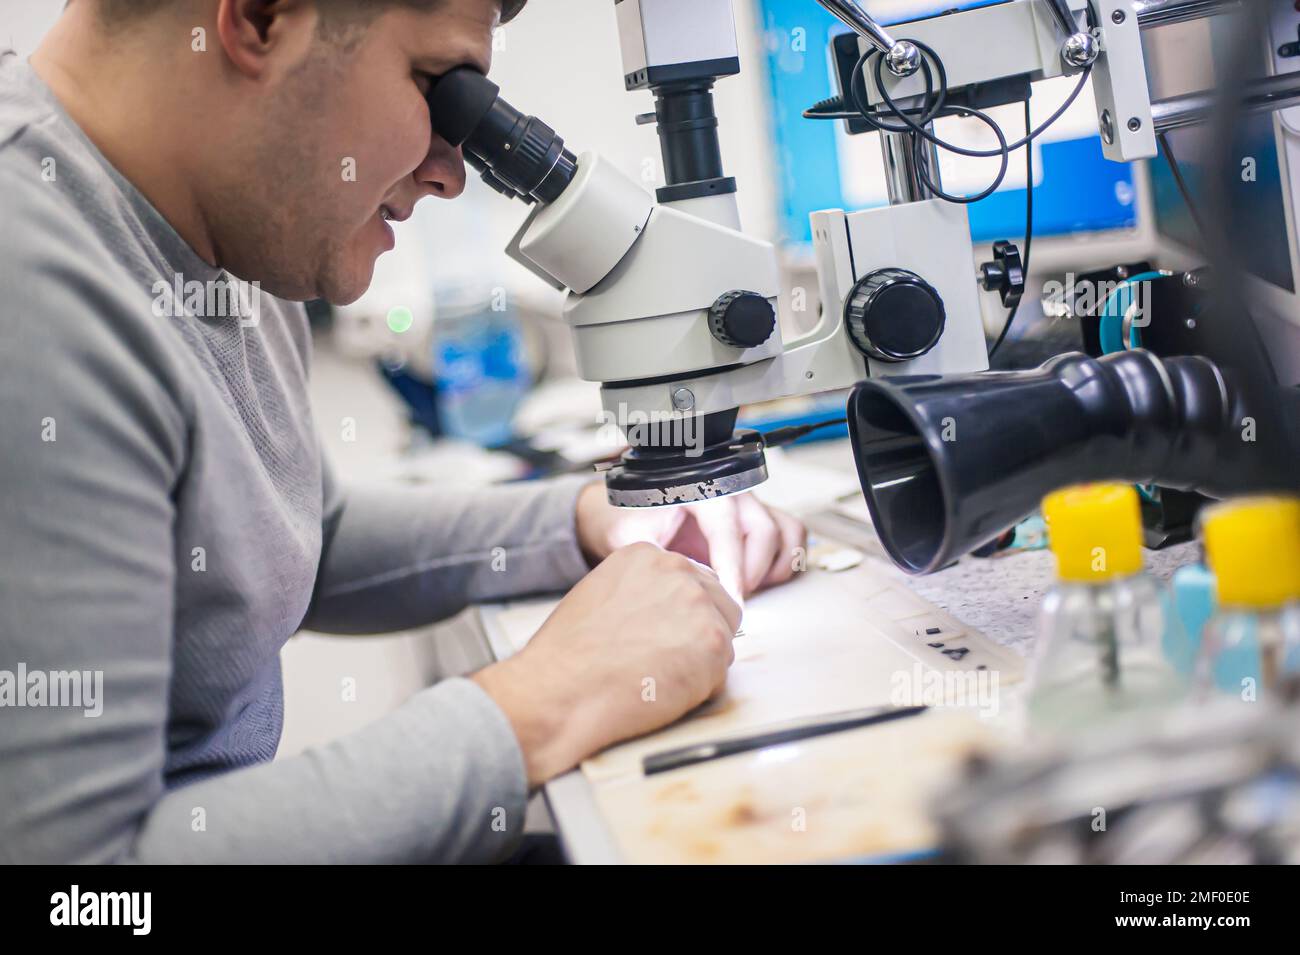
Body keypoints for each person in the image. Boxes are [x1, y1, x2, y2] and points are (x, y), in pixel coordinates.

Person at [0, 0, 805, 863]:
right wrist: (543, 699)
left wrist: (584, 521)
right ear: (262, 20)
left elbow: (305, 534)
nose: (453, 172)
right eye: (437, 83)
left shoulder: (215, 226)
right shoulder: (32, 284)